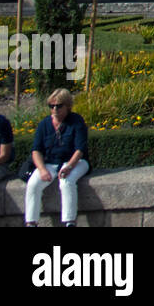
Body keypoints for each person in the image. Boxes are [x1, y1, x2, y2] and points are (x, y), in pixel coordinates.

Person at [26, 88, 90, 227]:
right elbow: (36, 150)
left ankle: (69, 221)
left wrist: (69, 166)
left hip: (75, 161)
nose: (55, 109)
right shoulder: (44, 124)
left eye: (59, 106)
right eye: (52, 106)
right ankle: (31, 222)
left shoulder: (76, 121)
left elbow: (80, 149)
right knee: (33, 184)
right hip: (51, 163)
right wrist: (42, 169)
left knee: (66, 181)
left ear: (67, 106)